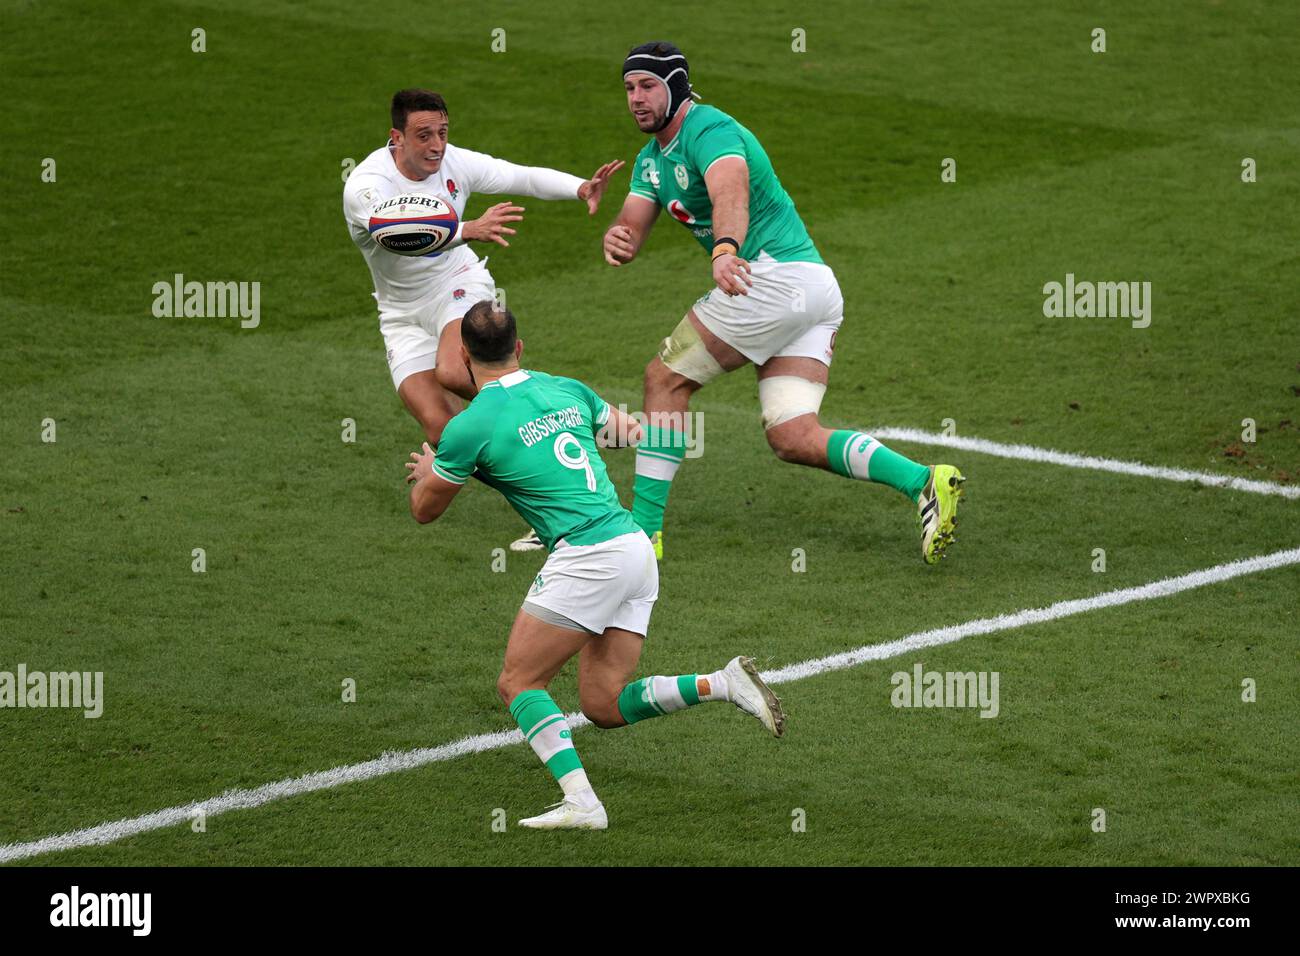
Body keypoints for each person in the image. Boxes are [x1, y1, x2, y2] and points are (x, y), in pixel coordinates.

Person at [405, 300, 785, 830]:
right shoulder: (568, 389)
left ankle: (583, 804)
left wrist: (432, 470)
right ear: (519, 347)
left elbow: (425, 511)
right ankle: (722, 684)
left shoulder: (470, 426)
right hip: (631, 546)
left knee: (519, 683)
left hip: (587, 557)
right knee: (602, 705)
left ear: (463, 356)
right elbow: (632, 433)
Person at [603, 42, 965, 564]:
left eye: (648, 86)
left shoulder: (710, 130)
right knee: (793, 436)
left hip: (769, 279)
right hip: (813, 290)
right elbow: (631, 228)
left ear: (677, 86)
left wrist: (725, 248)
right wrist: (618, 240)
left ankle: (643, 536)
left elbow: (731, 191)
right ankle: (926, 481)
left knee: (665, 379)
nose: (636, 99)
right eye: (630, 89)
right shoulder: (651, 160)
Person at [346, 87, 622, 551]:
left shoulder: (452, 162)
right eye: (424, 136)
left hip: (458, 284)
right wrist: (467, 229)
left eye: (443, 133)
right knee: (441, 430)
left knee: (453, 371)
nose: (437, 146)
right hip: (399, 312)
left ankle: (555, 439)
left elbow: (516, 175)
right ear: (396, 138)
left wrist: (580, 187)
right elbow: (394, 234)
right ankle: (546, 481)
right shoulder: (366, 185)